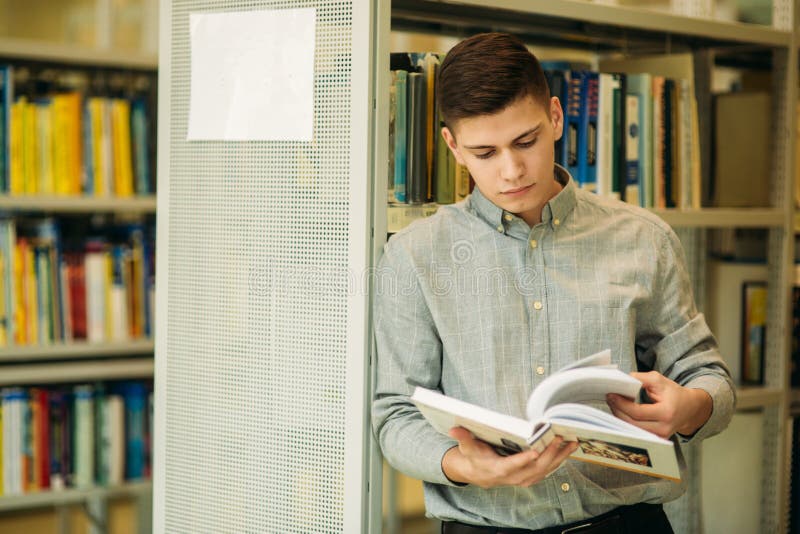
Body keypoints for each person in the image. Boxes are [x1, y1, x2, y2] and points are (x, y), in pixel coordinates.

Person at [371, 32, 734, 534]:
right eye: (484, 152)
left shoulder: (643, 238)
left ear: (557, 118)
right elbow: (394, 416)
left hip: (627, 523)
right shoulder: (414, 257)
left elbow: (707, 375)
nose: (511, 170)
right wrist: (461, 463)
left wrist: (693, 407)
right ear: (453, 146)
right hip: (485, 525)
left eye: (526, 141)